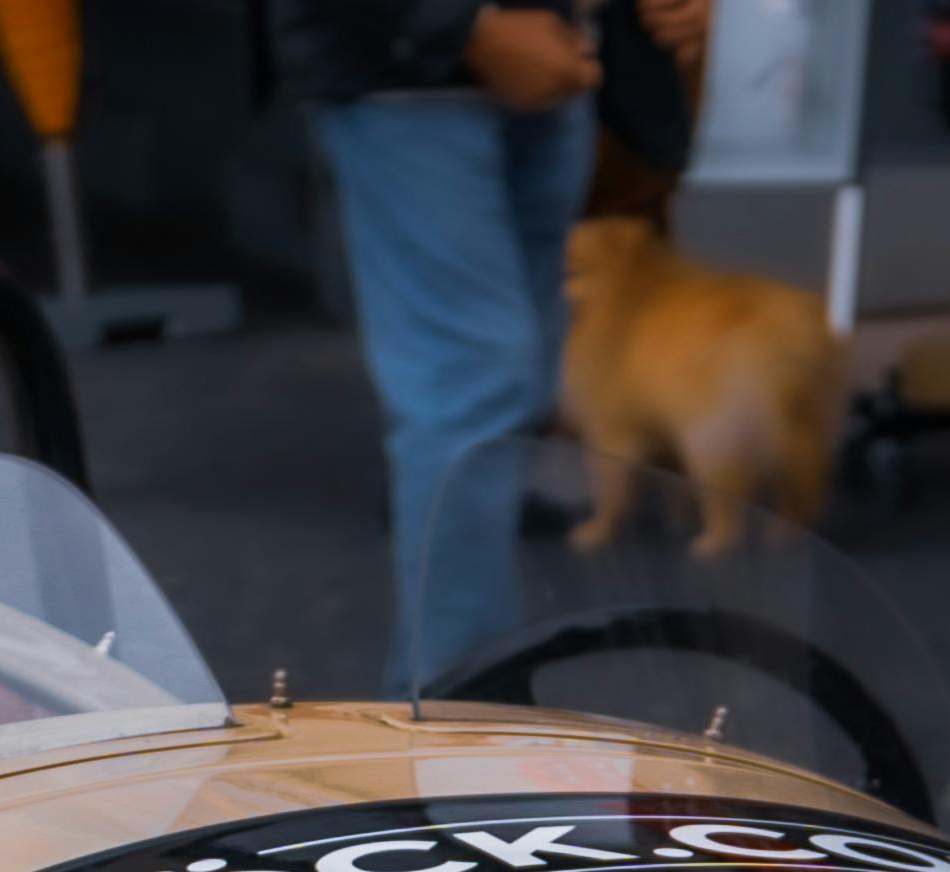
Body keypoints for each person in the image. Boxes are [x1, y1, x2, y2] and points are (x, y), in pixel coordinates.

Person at [282, 0, 709, 701]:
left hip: (564, 62)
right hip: (411, 71)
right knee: (472, 381)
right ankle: (455, 726)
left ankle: (475, 703)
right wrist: (464, 26)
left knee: (520, 382)